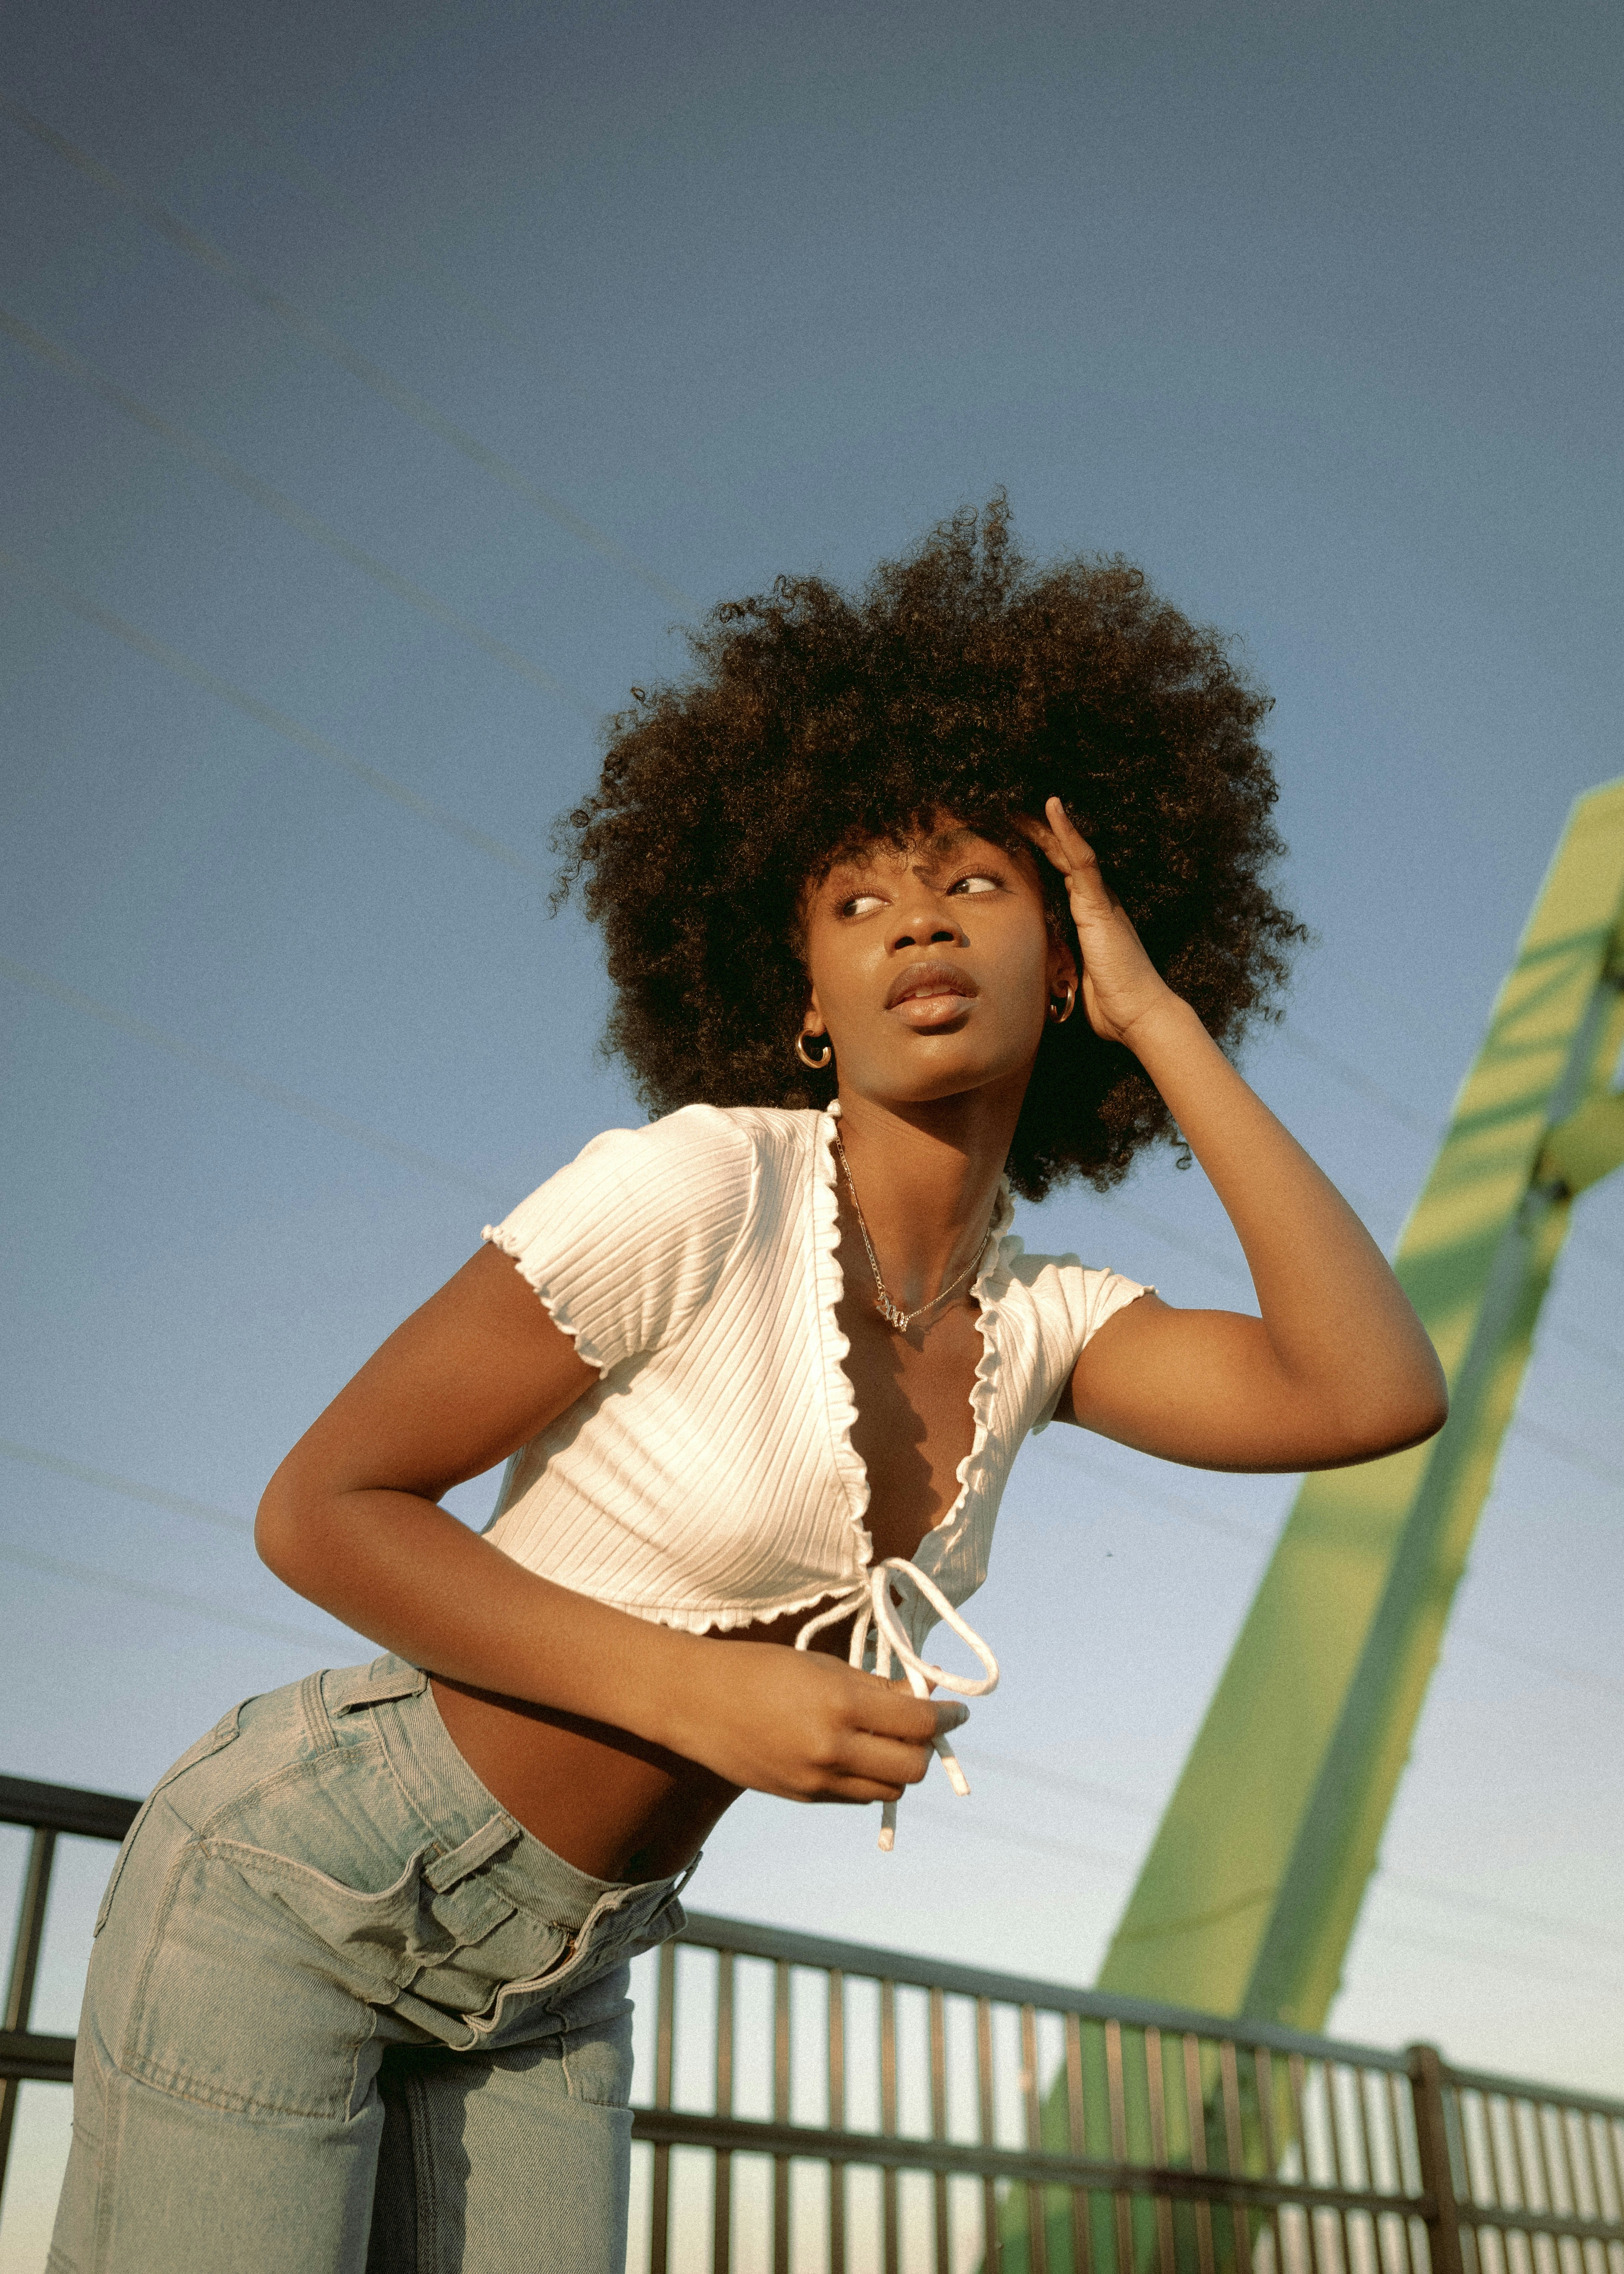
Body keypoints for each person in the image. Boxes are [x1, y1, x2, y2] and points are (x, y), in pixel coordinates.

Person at [51, 503, 1447, 2273]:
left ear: (1065, 951)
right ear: (803, 992)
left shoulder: (1046, 1326)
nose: (915, 922)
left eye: (975, 882)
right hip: (301, 1884)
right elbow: (320, 1510)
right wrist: (699, 1703)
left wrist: (1162, 1022)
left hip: (566, 1971)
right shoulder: (702, 1187)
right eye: (855, 897)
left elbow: (1366, 1392)